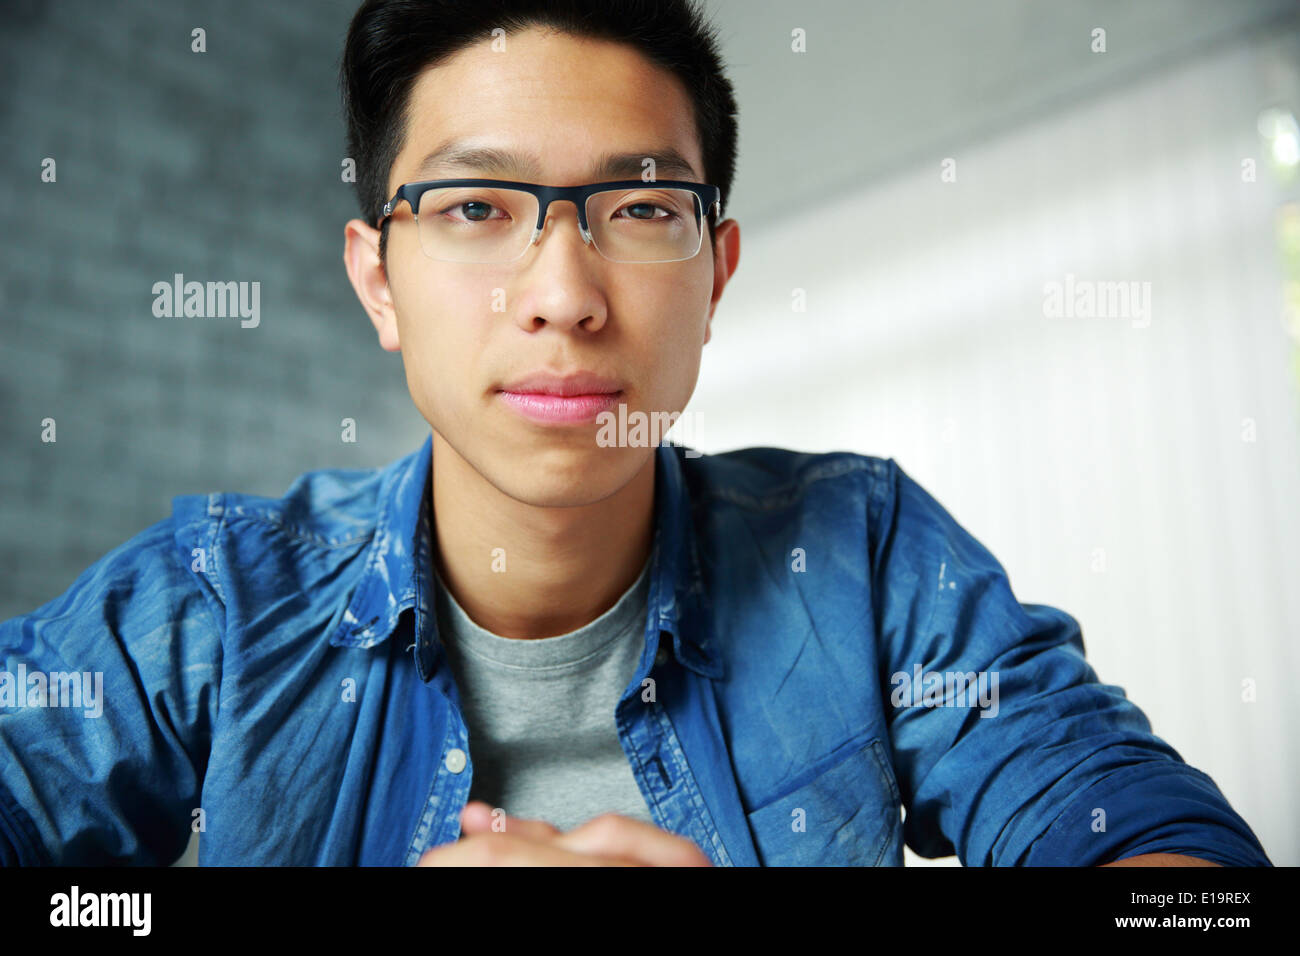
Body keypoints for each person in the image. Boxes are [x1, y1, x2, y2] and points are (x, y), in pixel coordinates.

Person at [0, 0, 1271, 867]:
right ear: (378, 281)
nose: (563, 291)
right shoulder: (213, 599)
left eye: (640, 206)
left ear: (715, 273)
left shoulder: (863, 553)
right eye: (478, 206)